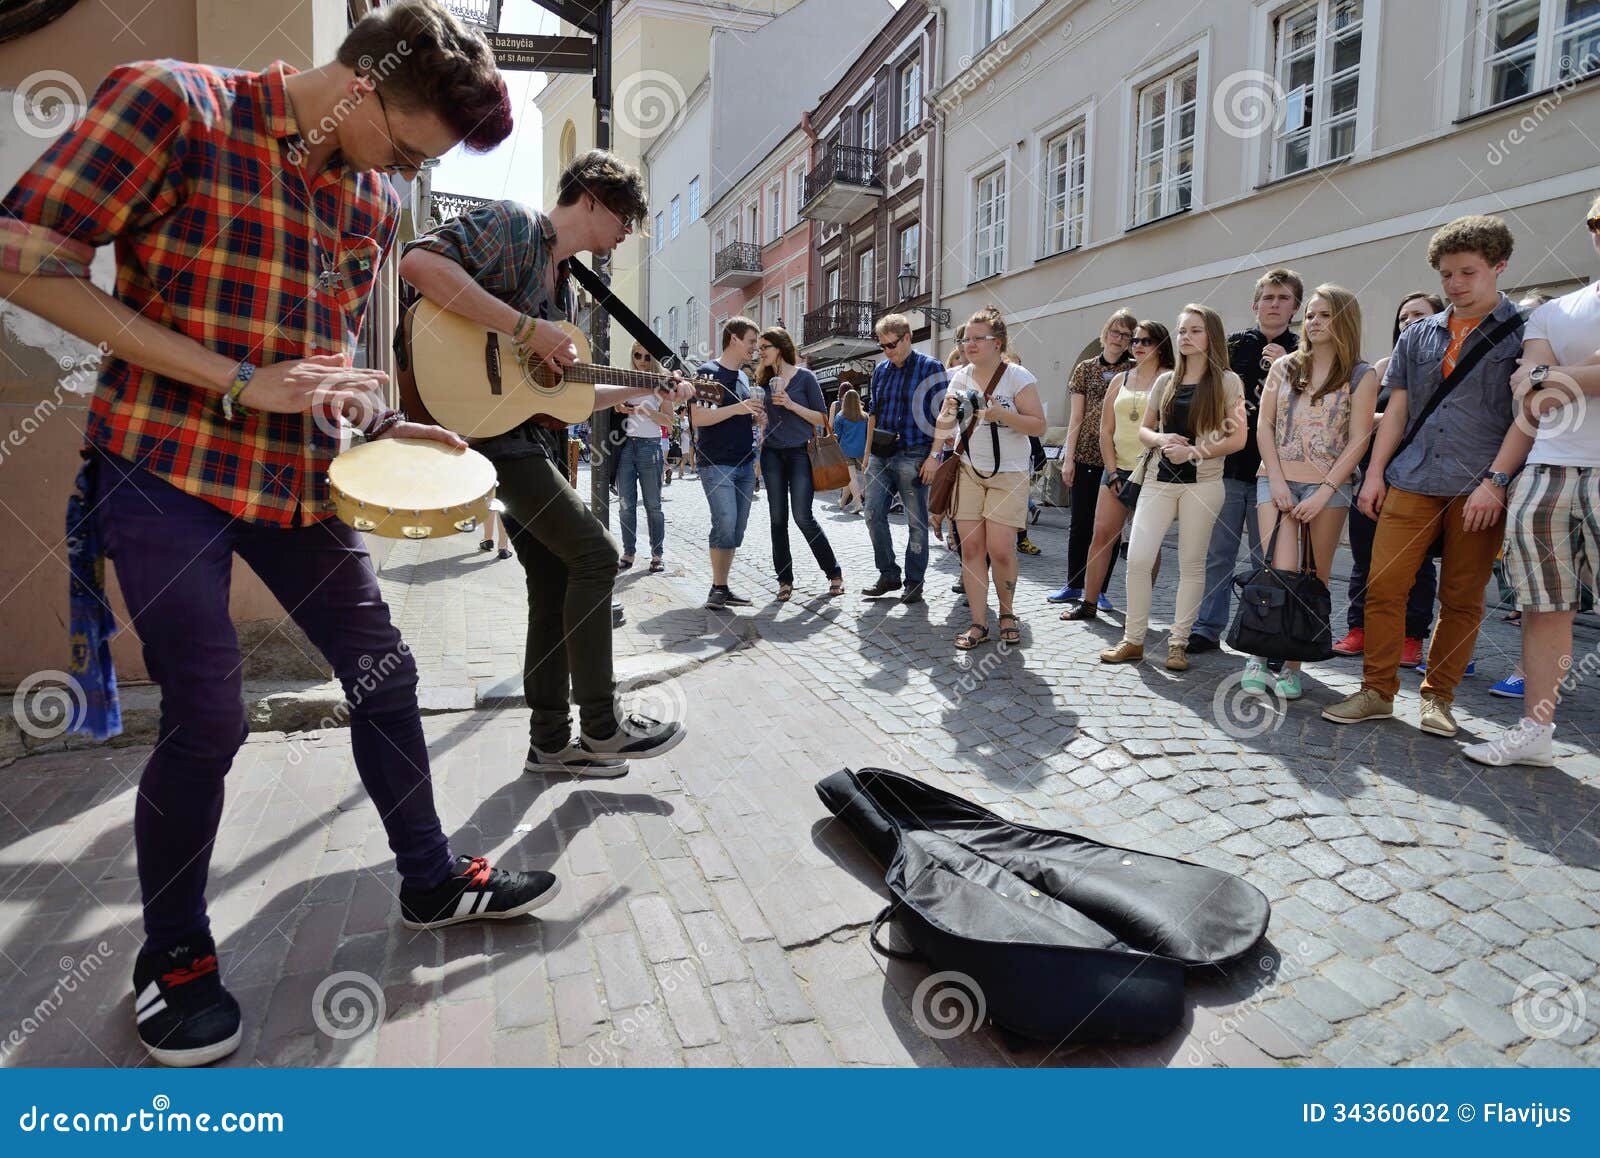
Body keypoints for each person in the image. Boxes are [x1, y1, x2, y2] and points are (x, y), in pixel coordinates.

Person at [0, 1, 556, 1066]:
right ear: (355, 84)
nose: (398, 174)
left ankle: (431, 881)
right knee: (206, 715)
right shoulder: (173, 103)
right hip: (164, 463)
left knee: (386, 676)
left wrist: (386, 418)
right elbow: (25, 255)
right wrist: (236, 380)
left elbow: (323, 355)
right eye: (400, 145)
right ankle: (173, 952)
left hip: (300, 483)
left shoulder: (375, 195)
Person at [400, 152, 693, 776]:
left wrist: (646, 388)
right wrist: (524, 327)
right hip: (489, 437)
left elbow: (564, 396)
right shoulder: (514, 226)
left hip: (525, 437)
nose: (627, 231)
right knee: (596, 554)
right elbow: (418, 263)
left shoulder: (565, 283)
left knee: (556, 580)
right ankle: (603, 725)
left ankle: (550, 743)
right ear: (591, 197)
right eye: (626, 216)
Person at [1324, 215, 1528, 735]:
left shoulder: (1523, 334)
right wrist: (1374, 475)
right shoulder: (1419, 334)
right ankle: (1377, 690)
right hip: (1411, 478)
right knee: (1383, 587)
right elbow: (1398, 410)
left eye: (1467, 273)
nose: (1455, 284)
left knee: (1461, 598)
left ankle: (1438, 697)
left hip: (1478, 487)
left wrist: (1497, 481)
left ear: (1498, 268)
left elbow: (1527, 415)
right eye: (1446, 275)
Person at [1466, 197, 1600, 766]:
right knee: (1546, 608)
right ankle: (1535, 732)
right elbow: (1533, 397)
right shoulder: (1557, 310)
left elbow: (1543, 380)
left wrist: (1549, 374)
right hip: (1546, 470)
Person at [1243, 285, 1380, 700]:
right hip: (1277, 480)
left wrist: (1324, 491)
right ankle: (1258, 653)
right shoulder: (1285, 366)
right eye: (1311, 316)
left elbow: (1359, 438)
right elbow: (1263, 426)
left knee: (1313, 578)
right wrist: (1279, 481)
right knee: (1277, 572)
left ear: (1344, 321)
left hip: (1330, 489)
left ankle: (1292, 665)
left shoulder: (1361, 374)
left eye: (1325, 315)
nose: (1314, 322)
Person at [1101, 306, 1248, 670]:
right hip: (1158, 480)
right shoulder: (1166, 381)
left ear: (1210, 336)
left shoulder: (1228, 381)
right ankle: (1133, 639)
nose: (1185, 337)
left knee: (1192, 564)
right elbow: (1144, 430)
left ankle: (1178, 643)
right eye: (1182, 331)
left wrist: (1195, 451)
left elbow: (1239, 436)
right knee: (1137, 559)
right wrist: (1162, 437)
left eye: (1194, 331)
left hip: (1204, 483)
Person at [1189, 269, 1303, 652]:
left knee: (1266, 560)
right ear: (1255, 305)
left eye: (1283, 298)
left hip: (1275, 472)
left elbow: (1312, 405)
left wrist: (1290, 365)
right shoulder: (1234, 347)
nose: (1274, 304)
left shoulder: (1305, 351)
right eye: (1268, 298)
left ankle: (1260, 635)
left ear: (1295, 307)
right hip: (1229, 468)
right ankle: (1207, 628)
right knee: (1217, 554)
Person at [1333, 291, 1444, 663]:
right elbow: (1356, 420)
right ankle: (1359, 629)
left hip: (1418, 478)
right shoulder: (1381, 367)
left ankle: (1411, 638)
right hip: (1371, 473)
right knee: (1364, 557)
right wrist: (1390, 419)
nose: (1409, 321)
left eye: (1419, 314)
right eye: (1403, 316)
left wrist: (1385, 419)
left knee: (1417, 561)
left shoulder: (1444, 365)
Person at [932, 307, 1048, 648]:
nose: (969, 344)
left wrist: (1003, 414)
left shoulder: (1018, 377)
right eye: (965, 338)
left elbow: (1038, 425)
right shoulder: (959, 378)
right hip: (968, 469)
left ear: (997, 343)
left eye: (976, 338)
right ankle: (978, 623)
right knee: (972, 549)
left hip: (1009, 473)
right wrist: (948, 414)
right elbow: (943, 429)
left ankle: (1007, 612)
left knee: (1000, 549)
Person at [1060, 320, 1175, 622]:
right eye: (1135, 340)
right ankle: (1088, 603)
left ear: (1161, 346)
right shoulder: (1120, 380)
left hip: (1152, 473)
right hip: (1116, 470)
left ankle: (1138, 611)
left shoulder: (1171, 380)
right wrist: (1111, 471)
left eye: (1146, 341)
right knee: (1101, 536)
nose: (1137, 345)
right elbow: (1105, 430)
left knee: (1145, 544)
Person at [862, 313, 949, 603]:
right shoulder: (881, 370)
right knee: (872, 514)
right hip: (880, 454)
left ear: (908, 337)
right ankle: (888, 574)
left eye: (892, 344)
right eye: (883, 345)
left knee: (915, 522)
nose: (887, 350)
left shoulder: (931, 368)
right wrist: (866, 454)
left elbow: (944, 418)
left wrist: (935, 456)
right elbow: (873, 413)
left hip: (915, 453)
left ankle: (914, 581)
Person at [1051, 310, 1136, 603]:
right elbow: (1076, 417)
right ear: (1105, 333)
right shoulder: (1086, 369)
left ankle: (1098, 589)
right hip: (1087, 453)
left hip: (1119, 457)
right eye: (1115, 331)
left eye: (1126, 334)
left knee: (1110, 529)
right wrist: (1069, 458)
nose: (1119, 338)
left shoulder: (1134, 369)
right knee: (1081, 524)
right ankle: (1074, 584)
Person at [756, 326, 844, 600]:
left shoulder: (805, 378)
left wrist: (792, 405)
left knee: (803, 516)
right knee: (777, 519)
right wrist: (759, 419)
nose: (760, 353)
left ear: (779, 348)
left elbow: (822, 419)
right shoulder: (763, 381)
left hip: (800, 454)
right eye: (758, 348)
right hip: (771, 453)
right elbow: (765, 423)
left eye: (764, 348)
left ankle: (834, 572)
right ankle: (785, 580)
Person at [693, 317, 764, 609]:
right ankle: (717, 588)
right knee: (725, 522)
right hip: (716, 461)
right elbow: (698, 418)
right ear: (733, 339)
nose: (754, 349)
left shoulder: (745, 378)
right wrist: (739, 408)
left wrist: (756, 417)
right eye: (750, 342)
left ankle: (724, 587)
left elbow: (743, 416)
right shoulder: (707, 372)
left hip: (745, 462)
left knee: (737, 529)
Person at [613, 342, 673, 573]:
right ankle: (629, 551)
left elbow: (669, 420)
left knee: (653, 505)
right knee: (626, 504)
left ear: (654, 360)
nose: (641, 360)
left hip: (650, 446)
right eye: (637, 355)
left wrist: (645, 410)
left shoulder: (663, 384)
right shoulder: (627, 378)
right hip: (627, 445)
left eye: (647, 357)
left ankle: (657, 554)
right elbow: (614, 405)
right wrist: (620, 407)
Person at [829, 387, 873, 514]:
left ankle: (858, 503)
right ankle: (842, 502)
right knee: (860, 478)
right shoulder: (865, 417)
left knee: (850, 478)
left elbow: (837, 435)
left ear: (845, 401)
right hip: (862, 450)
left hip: (845, 450)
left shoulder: (840, 416)